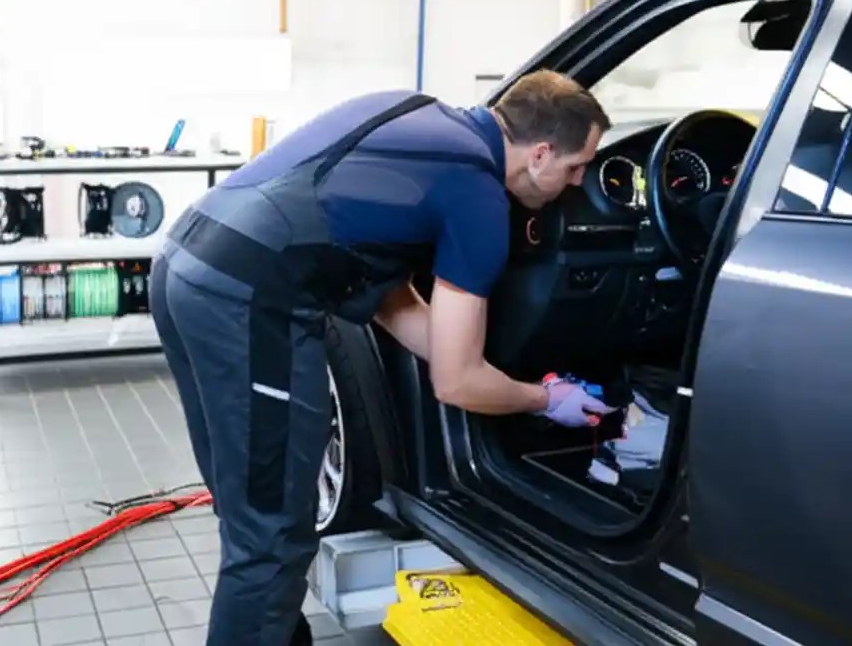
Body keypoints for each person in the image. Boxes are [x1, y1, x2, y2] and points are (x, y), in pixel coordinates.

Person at [149, 69, 613, 645]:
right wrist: (544, 399)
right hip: (247, 301)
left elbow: (393, 305)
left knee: (253, 514)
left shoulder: (417, 113)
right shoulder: (477, 196)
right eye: (576, 167)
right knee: (269, 538)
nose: (578, 183)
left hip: (183, 263)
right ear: (540, 153)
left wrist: (487, 370)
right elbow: (456, 383)